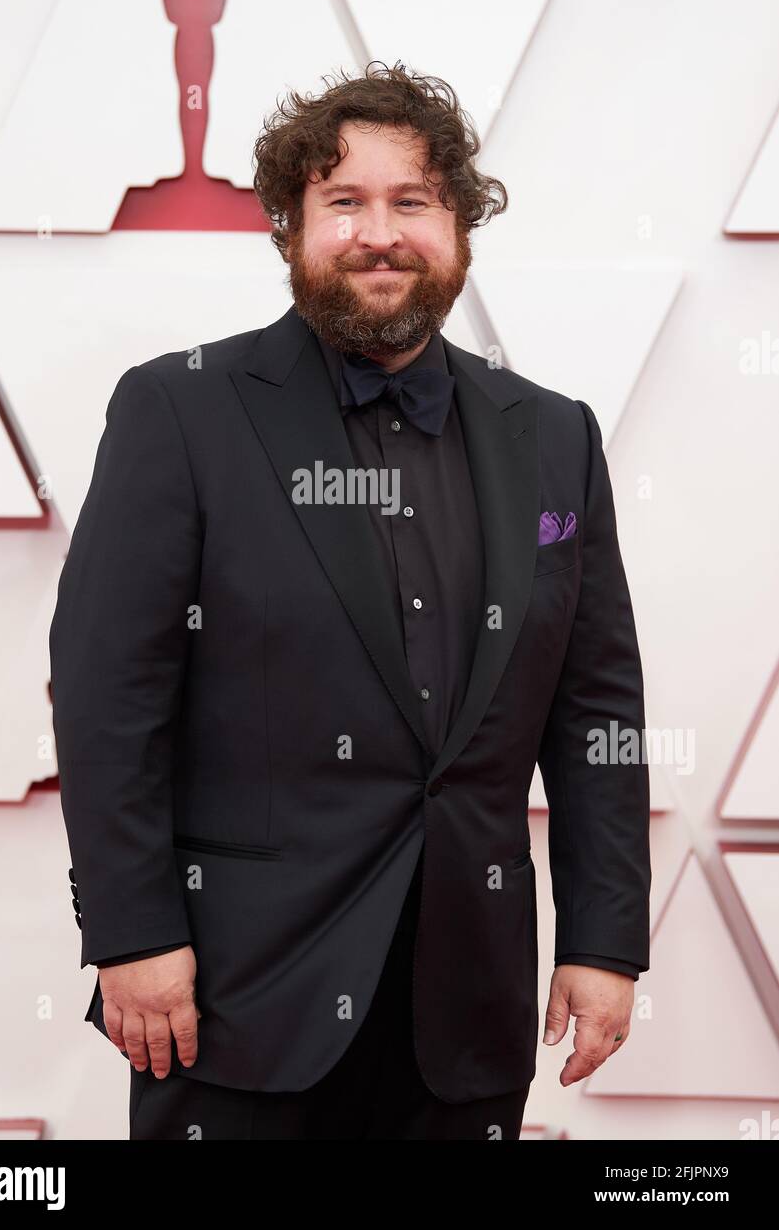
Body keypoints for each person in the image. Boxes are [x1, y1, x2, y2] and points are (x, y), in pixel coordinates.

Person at [49, 60, 651, 1140]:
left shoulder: (554, 436)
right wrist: (131, 932)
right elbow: (106, 696)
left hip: (465, 1007)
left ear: (458, 226)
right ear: (290, 231)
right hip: (233, 999)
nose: (381, 233)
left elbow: (595, 708)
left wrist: (603, 941)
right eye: (345, 202)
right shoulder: (178, 409)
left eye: (411, 201)